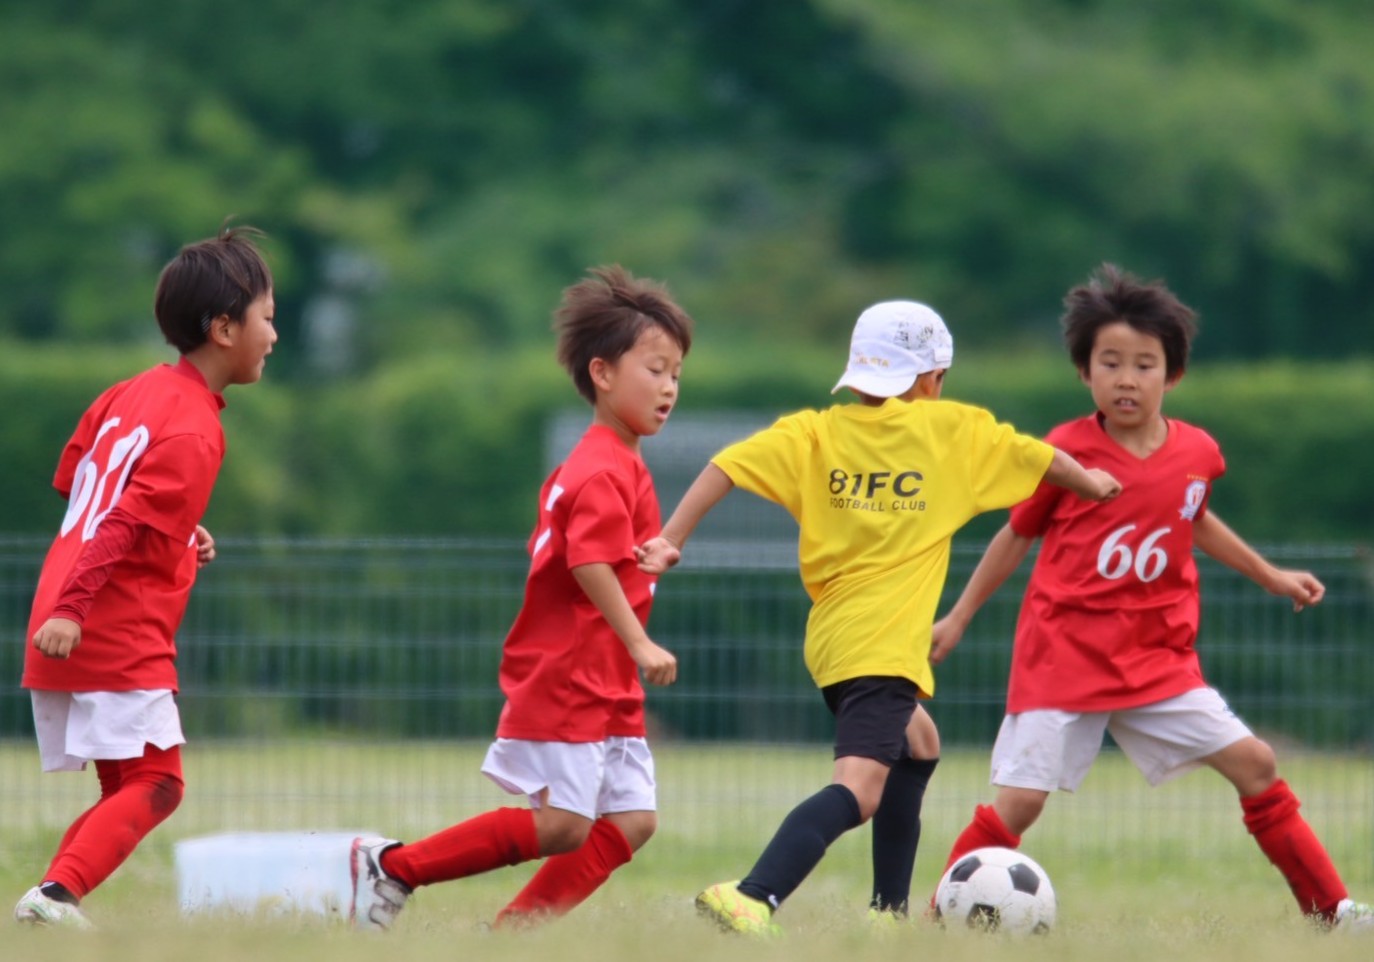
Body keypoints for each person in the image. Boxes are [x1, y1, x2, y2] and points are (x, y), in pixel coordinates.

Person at [635, 299, 1121, 936]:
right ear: (929, 379)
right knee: (860, 790)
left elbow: (725, 466)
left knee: (919, 746)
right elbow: (1040, 458)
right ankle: (754, 896)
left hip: (835, 642)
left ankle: (886, 916)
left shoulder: (813, 432)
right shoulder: (951, 431)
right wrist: (1093, 482)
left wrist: (671, 538)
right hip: (883, 648)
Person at [928, 263, 1373, 932]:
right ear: (1085, 372)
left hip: (1157, 660)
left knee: (1256, 763)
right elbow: (1014, 537)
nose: (1127, 378)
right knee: (1019, 804)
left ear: (1173, 375)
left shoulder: (1196, 452)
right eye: (1110, 362)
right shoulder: (1065, 452)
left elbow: (1192, 516)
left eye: (1144, 364)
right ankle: (938, 915)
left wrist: (1270, 575)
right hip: (1065, 656)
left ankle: (1332, 912)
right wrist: (958, 617)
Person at [349, 265, 693, 932]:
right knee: (565, 824)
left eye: (677, 372)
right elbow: (588, 561)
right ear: (602, 373)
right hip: (571, 671)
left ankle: (512, 934)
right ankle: (394, 868)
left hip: (606, 674)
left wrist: (649, 556)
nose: (670, 387)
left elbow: (607, 556)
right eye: (655, 369)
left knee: (632, 819)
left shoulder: (621, 459)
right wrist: (640, 640)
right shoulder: (599, 465)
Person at [13, 225, 277, 929]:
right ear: (224, 327)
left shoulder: (127, 392)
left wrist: (181, 529)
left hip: (69, 606)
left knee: (125, 784)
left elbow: (83, 485)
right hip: (106, 620)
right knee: (160, 783)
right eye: (267, 317)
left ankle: (51, 902)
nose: (273, 334)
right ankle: (55, 897)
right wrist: (76, 608)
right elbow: (123, 522)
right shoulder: (195, 428)